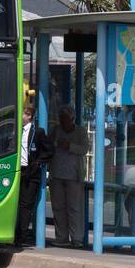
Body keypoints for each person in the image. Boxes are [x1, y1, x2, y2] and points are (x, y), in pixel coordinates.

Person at [48, 105, 89, 248]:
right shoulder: (55, 130)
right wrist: (55, 144)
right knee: (58, 207)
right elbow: (48, 146)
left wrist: (69, 146)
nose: (62, 122)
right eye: (61, 119)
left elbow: (84, 149)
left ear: (72, 118)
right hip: (56, 175)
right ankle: (61, 237)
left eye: (65, 119)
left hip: (74, 176)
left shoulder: (81, 131)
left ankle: (77, 238)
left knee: (74, 208)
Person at [14, 101, 52, 246]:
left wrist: (38, 163)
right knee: (16, 203)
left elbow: (49, 151)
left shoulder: (38, 132)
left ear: (29, 116)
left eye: (22, 113)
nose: (21, 116)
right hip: (18, 170)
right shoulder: (17, 130)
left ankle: (21, 236)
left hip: (30, 173)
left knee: (26, 205)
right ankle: (14, 232)